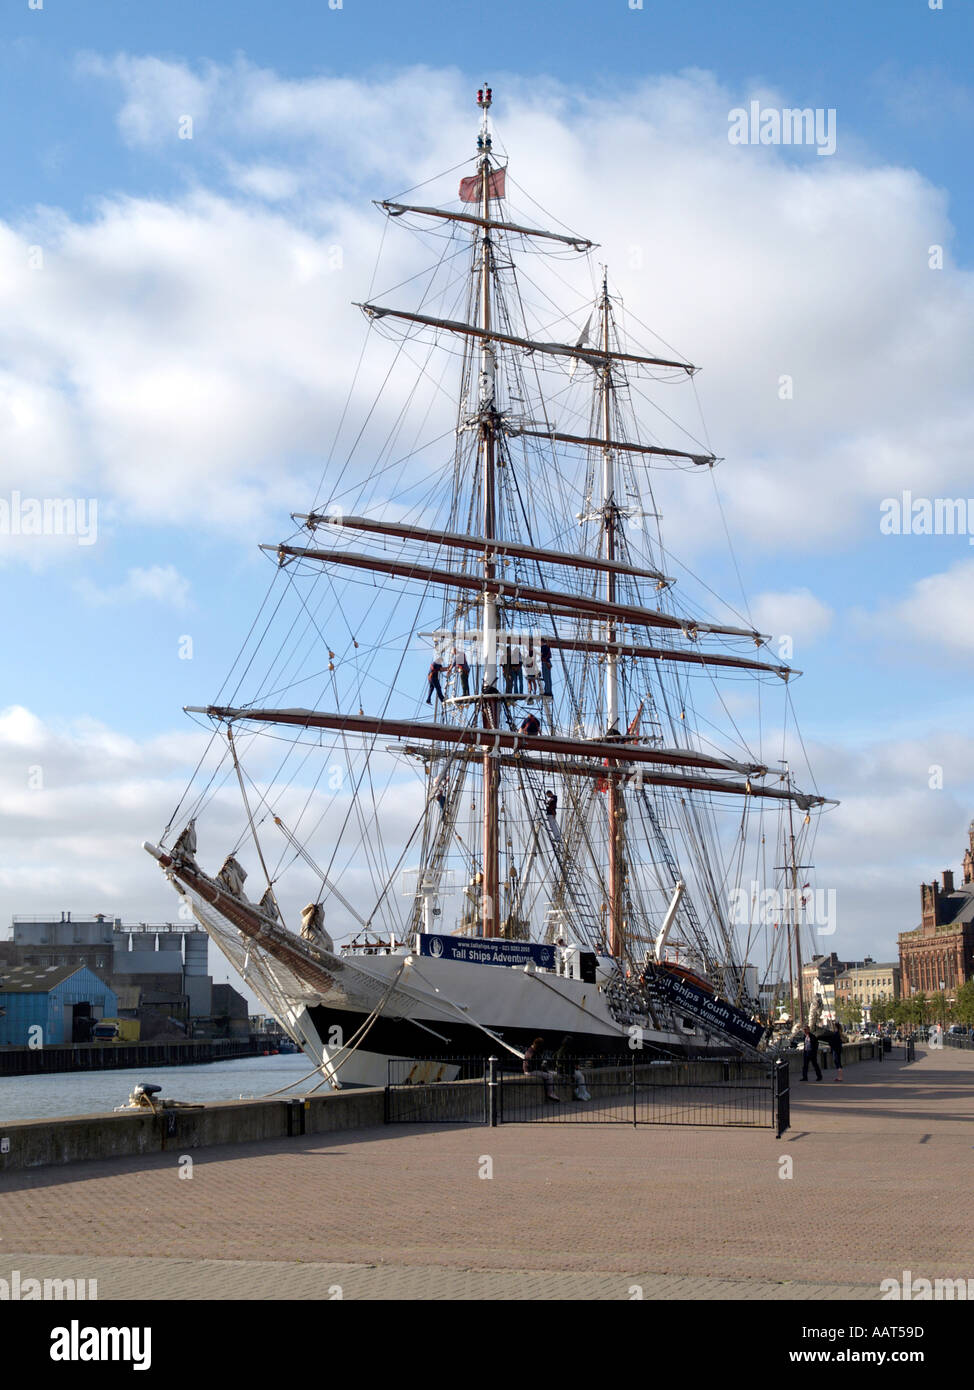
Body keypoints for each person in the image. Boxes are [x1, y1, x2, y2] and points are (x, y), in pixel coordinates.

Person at [523, 1036, 559, 1101]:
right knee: (549, 1076)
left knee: (552, 1073)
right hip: (530, 1071)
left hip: (530, 1070)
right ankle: (550, 1093)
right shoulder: (533, 1053)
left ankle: (552, 1090)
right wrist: (544, 1069)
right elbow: (534, 1066)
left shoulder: (530, 1050)